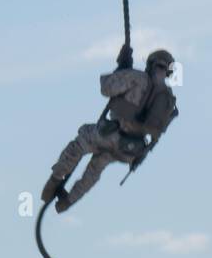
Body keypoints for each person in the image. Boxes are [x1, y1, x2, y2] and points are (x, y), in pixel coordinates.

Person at [41, 43, 179, 212]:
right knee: (97, 167)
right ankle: (67, 202)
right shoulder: (168, 99)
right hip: (130, 149)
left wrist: (121, 68)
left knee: (80, 143)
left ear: (150, 63)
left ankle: (52, 184)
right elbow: (157, 133)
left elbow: (106, 88)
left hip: (111, 134)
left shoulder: (137, 78)